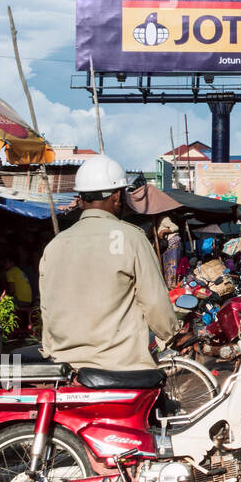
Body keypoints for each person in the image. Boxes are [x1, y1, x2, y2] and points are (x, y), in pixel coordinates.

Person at [38, 154, 179, 371]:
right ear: (116, 197)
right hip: (122, 368)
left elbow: (46, 309)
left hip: (65, 369)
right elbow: (154, 302)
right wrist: (170, 335)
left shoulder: (55, 245)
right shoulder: (131, 238)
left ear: (81, 198)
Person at [156, 216, 181, 289]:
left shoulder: (163, 218)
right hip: (166, 246)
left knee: (171, 265)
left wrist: (163, 231)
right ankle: (169, 284)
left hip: (172, 242)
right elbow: (150, 232)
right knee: (166, 265)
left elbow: (175, 227)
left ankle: (171, 286)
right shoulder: (155, 221)